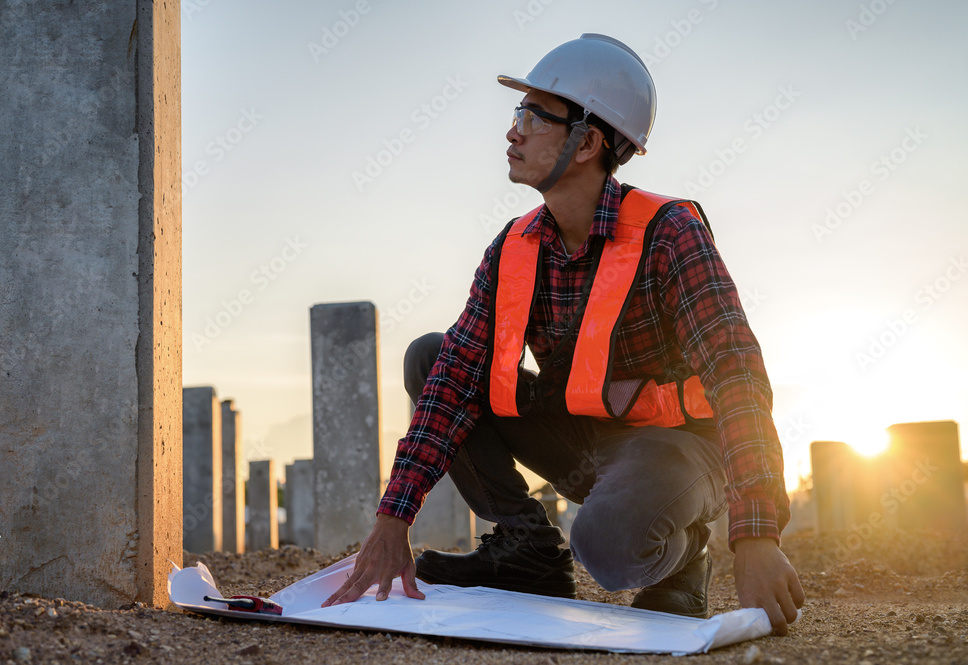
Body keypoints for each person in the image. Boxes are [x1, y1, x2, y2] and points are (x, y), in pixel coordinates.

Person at [324, 33, 805, 635]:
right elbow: (453, 382)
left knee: (607, 546)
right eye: (517, 113)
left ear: (588, 142)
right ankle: (527, 550)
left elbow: (737, 376)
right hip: (581, 443)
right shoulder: (513, 247)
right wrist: (394, 520)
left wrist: (756, 535)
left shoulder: (670, 233)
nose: (513, 131)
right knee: (433, 356)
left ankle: (686, 558)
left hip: (676, 451)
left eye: (534, 115)